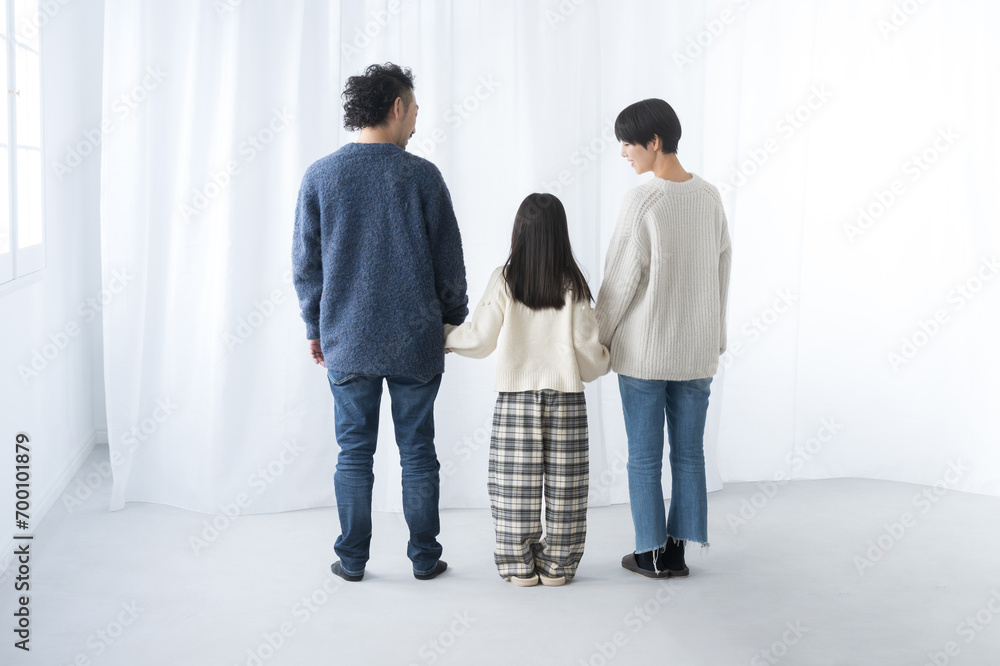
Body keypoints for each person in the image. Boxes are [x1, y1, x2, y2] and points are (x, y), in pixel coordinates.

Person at [291, 63, 468, 582]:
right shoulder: (423, 176)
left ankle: (351, 560)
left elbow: (306, 266)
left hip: (347, 340)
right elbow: (449, 264)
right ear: (396, 109)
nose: (416, 121)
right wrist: (451, 320)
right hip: (416, 342)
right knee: (417, 451)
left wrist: (314, 326)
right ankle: (425, 558)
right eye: (414, 110)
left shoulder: (321, 175)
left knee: (354, 453)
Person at [595, 98, 732, 580]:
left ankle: (650, 554)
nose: (624, 153)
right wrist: (716, 335)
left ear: (654, 142)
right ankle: (676, 552)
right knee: (690, 453)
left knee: (644, 457)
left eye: (629, 143)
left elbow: (619, 280)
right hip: (696, 351)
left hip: (645, 355)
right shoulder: (710, 196)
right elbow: (722, 271)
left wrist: (599, 339)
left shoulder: (643, 200)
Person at [444, 193, 610, 587]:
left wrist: (445, 335)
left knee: (513, 487)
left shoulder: (505, 278)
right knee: (567, 487)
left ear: (519, 232)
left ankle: (519, 566)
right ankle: (558, 567)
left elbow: (480, 339)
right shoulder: (573, 283)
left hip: (516, 398)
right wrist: (605, 356)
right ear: (560, 235)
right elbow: (589, 358)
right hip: (566, 398)